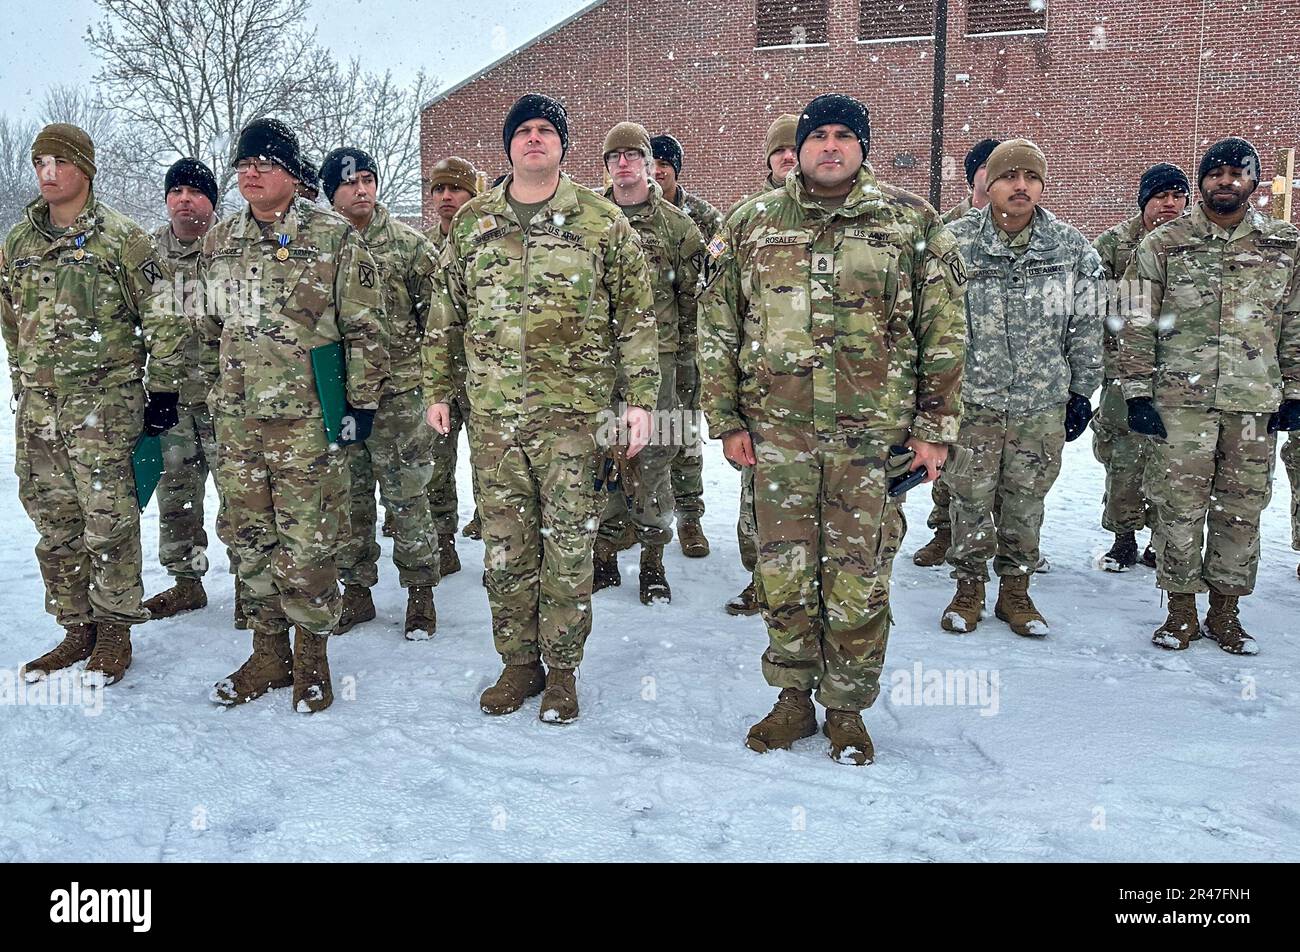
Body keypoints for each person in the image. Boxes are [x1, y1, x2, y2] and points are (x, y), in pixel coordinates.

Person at [699, 94, 966, 765]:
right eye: (819, 135)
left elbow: (945, 330)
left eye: (846, 136)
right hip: (779, 438)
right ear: (801, 143)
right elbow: (718, 328)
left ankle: (846, 706)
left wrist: (934, 431)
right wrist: (726, 419)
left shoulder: (911, 223)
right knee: (784, 573)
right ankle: (792, 698)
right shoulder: (752, 223)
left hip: (872, 443)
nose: (830, 147)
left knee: (860, 576)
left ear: (863, 146)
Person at [423, 94, 659, 723]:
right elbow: (447, 315)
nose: (534, 139)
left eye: (545, 131)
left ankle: (561, 671)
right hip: (496, 421)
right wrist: (437, 389)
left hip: (574, 422)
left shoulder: (601, 221)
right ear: (507, 147)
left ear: (562, 147)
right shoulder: (473, 223)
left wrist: (639, 401)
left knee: (569, 548)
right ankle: (517, 663)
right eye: (522, 131)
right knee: (504, 545)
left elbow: (635, 316)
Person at [202, 118, 388, 712]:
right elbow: (208, 327)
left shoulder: (333, 237)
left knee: (308, 543)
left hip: (307, 422)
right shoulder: (220, 239)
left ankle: (311, 658)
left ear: (291, 171)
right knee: (249, 538)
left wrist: (359, 403)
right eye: (243, 163)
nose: (251, 172)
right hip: (238, 421)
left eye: (265, 161)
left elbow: (364, 328)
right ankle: (268, 654)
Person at [3, 123, 186, 686]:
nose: (48, 172)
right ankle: (75, 625)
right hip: (39, 413)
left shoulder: (121, 240)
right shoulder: (17, 243)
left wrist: (163, 390)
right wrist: (23, 373)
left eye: (59, 161)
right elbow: (11, 318)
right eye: (40, 162)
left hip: (104, 410)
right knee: (54, 524)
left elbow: (164, 317)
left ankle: (113, 630)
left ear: (85, 168)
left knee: (107, 523)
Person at [1118, 137, 1300, 654]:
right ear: (1201, 182)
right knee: (1177, 507)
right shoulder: (1163, 244)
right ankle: (1179, 610)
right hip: (1180, 405)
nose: (1225, 180)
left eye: (1236, 172)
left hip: (1253, 405)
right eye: (1214, 172)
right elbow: (1134, 319)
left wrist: (1296, 390)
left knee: (1240, 509)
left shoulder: (1284, 245)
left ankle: (1226, 610)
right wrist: (1136, 392)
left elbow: (1296, 323)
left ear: (1253, 182)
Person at [940, 139, 1103, 637]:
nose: (1020, 186)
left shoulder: (1070, 247)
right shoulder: (955, 241)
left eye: (1030, 178)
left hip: (1040, 403)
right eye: (1009, 177)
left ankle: (1016, 590)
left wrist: (1081, 391)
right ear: (988, 185)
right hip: (975, 401)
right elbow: (929, 320)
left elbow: (1088, 321)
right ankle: (968, 588)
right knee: (968, 496)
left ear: (1041, 186)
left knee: (1026, 499)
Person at [323, 146, 441, 639]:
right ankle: (357, 591)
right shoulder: (319, 246)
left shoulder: (410, 248)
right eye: (351, 182)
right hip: (338, 397)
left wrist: (434, 384)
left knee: (408, 497)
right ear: (332, 192)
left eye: (369, 179)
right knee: (348, 500)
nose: (362, 189)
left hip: (399, 397)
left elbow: (437, 321)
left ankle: (420, 593)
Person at [593, 122, 705, 603]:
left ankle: (653, 561)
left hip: (659, 366)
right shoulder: (590, 220)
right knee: (602, 457)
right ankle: (603, 555)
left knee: (656, 461)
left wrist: (684, 371)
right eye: (614, 156)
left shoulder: (677, 227)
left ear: (647, 163)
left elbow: (692, 303)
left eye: (633, 155)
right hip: (600, 365)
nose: (624, 163)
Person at [1091, 162, 1190, 571]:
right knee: (1124, 458)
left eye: (1177, 196)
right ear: (1144, 201)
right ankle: (1124, 538)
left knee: (1171, 461)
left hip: (1180, 375)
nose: (1169, 204)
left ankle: (1160, 541)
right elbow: (1090, 308)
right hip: (1122, 371)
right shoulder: (1113, 244)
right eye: (1160, 196)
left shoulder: (1194, 243)